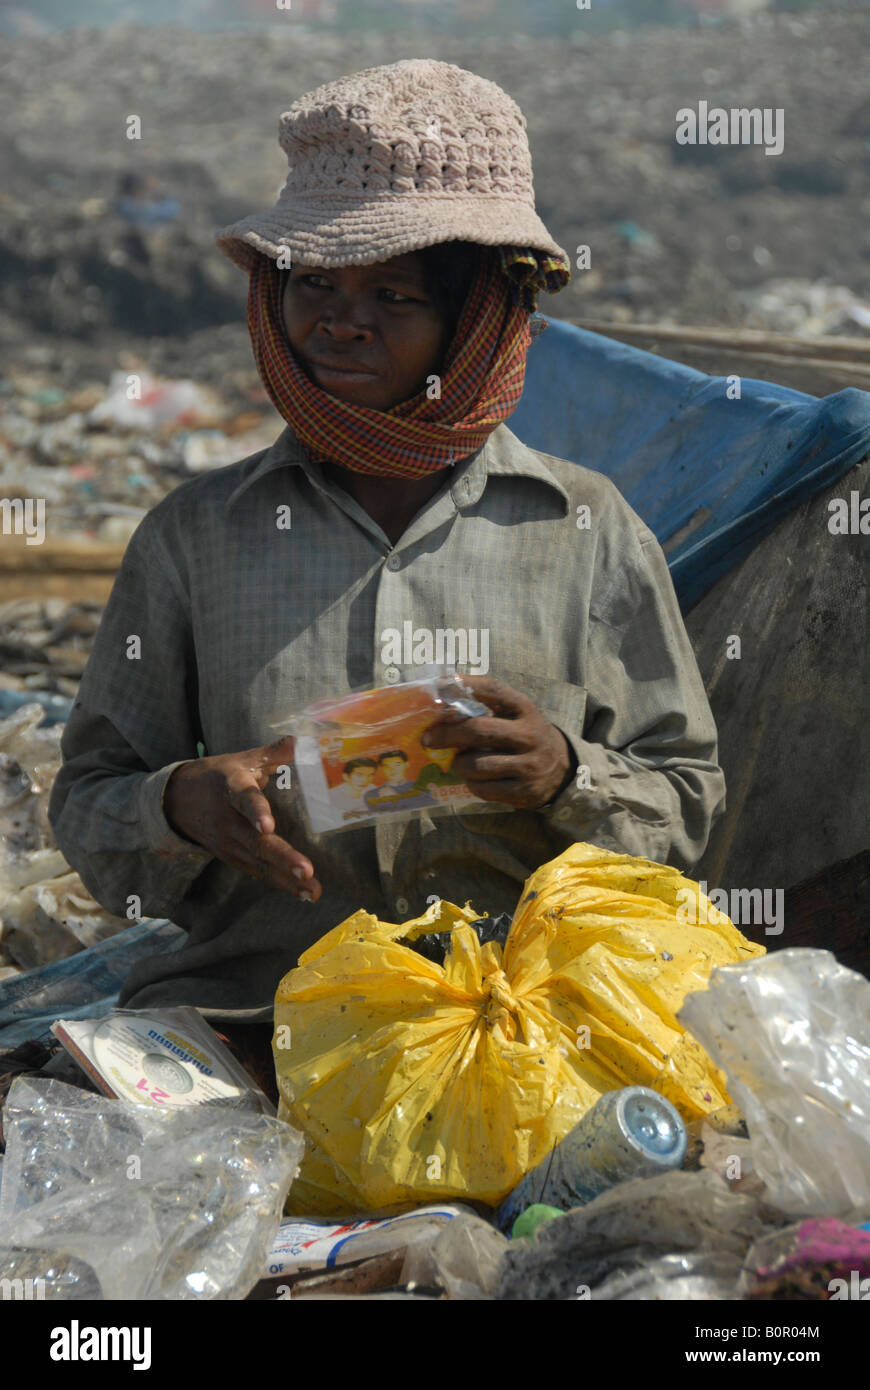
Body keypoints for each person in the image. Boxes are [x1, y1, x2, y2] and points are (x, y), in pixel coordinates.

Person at [49, 59, 725, 1025]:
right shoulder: (194, 538)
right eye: (315, 281)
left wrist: (568, 775)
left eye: (397, 297)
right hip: (259, 1018)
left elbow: (688, 800)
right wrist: (180, 804)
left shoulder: (587, 531)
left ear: (479, 319)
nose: (341, 323)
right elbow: (87, 801)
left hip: (522, 1023)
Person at [363, 750, 436, 813]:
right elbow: (380, 816)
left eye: (397, 765)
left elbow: (433, 808)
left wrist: (395, 798)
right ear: (382, 769)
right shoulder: (372, 794)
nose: (392, 770)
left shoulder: (422, 787)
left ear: (407, 764)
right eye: (387, 766)